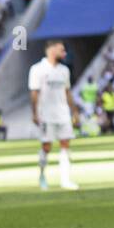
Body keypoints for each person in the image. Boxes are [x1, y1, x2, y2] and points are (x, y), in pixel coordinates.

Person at [28, 40, 79, 190]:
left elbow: (67, 92)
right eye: (61, 50)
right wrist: (35, 113)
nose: (64, 53)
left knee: (65, 145)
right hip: (46, 114)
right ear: (51, 50)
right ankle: (42, 175)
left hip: (63, 114)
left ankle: (65, 180)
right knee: (47, 146)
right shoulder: (37, 69)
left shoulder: (64, 70)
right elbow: (34, 93)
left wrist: (74, 111)